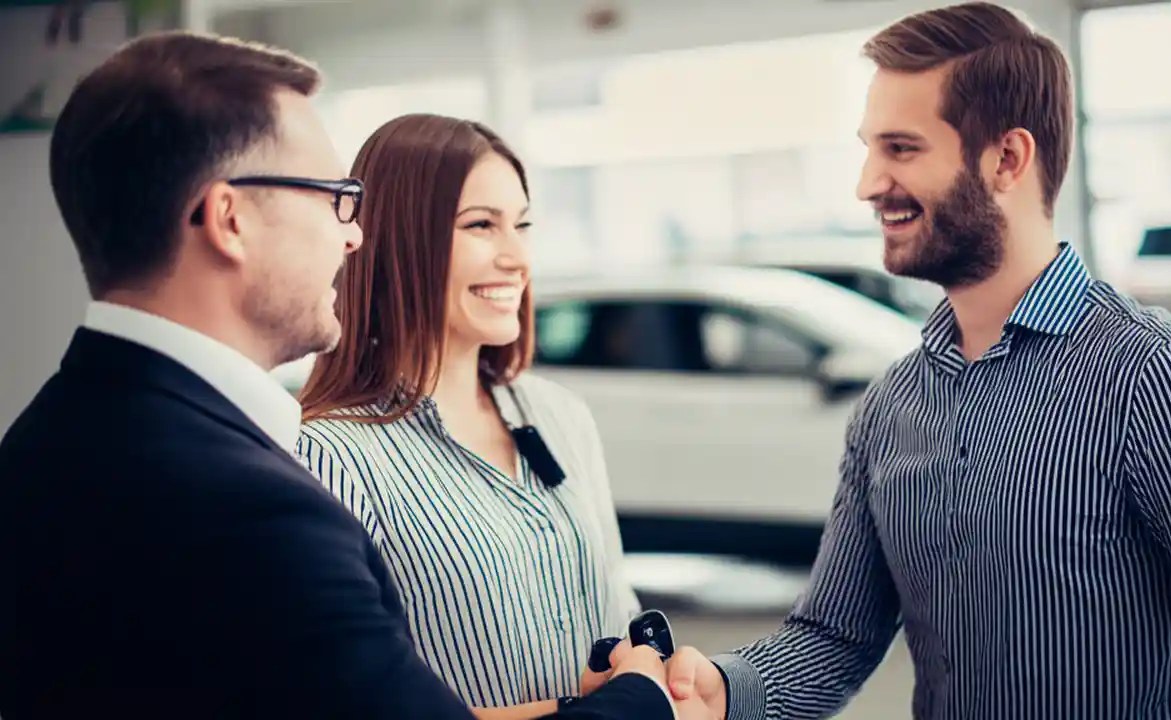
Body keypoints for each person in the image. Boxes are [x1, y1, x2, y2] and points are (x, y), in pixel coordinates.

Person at [599, 3, 1171, 719]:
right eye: (870, 149)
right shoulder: (891, 405)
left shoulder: (1165, 381)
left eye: (901, 149)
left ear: (1007, 159)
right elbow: (833, 638)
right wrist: (725, 688)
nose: (867, 183)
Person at [0, 30, 680, 720]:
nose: (353, 234)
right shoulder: (268, 498)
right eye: (333, 197)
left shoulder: (33, 451)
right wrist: (643, 697)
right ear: (228, 219)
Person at [294, 113, 640, 719]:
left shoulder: (558, 414)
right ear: (399, 239)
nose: (516, 257)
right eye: (481, 225)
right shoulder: (328, 458)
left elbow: (621, 608)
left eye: (522, 225)